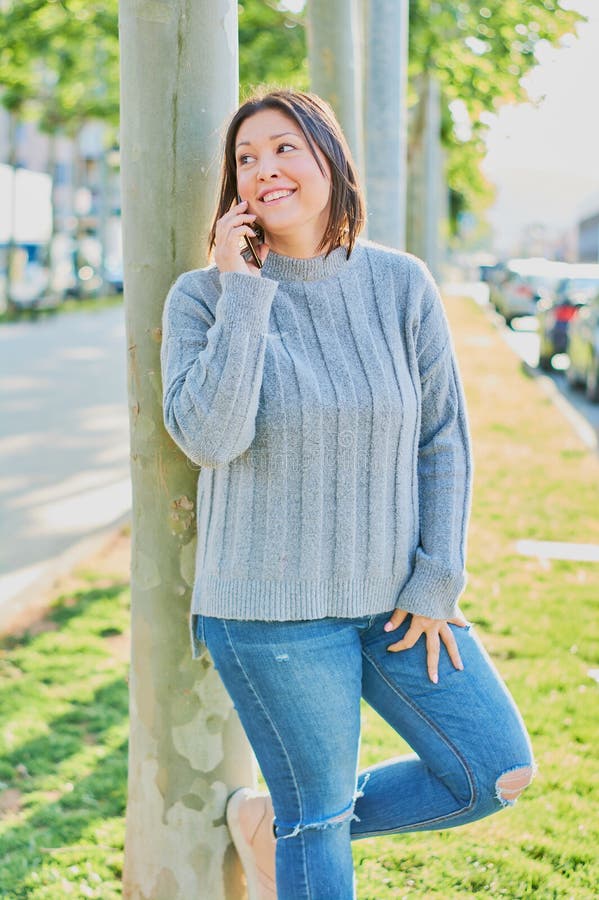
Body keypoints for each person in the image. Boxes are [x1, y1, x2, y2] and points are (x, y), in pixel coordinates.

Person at [160, 88, 535, 900]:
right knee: (318, 825)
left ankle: (276, 823)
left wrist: (437, 579)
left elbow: (442, 442)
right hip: (268, 613)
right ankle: (300, 822)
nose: (264, 169)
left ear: (328, 155)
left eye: (284, 147)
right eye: (246, 158)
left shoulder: (400, 285)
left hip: (397, 602)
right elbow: (211, 439)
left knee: (491, 771)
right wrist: (244, 291)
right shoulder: (202, 298)